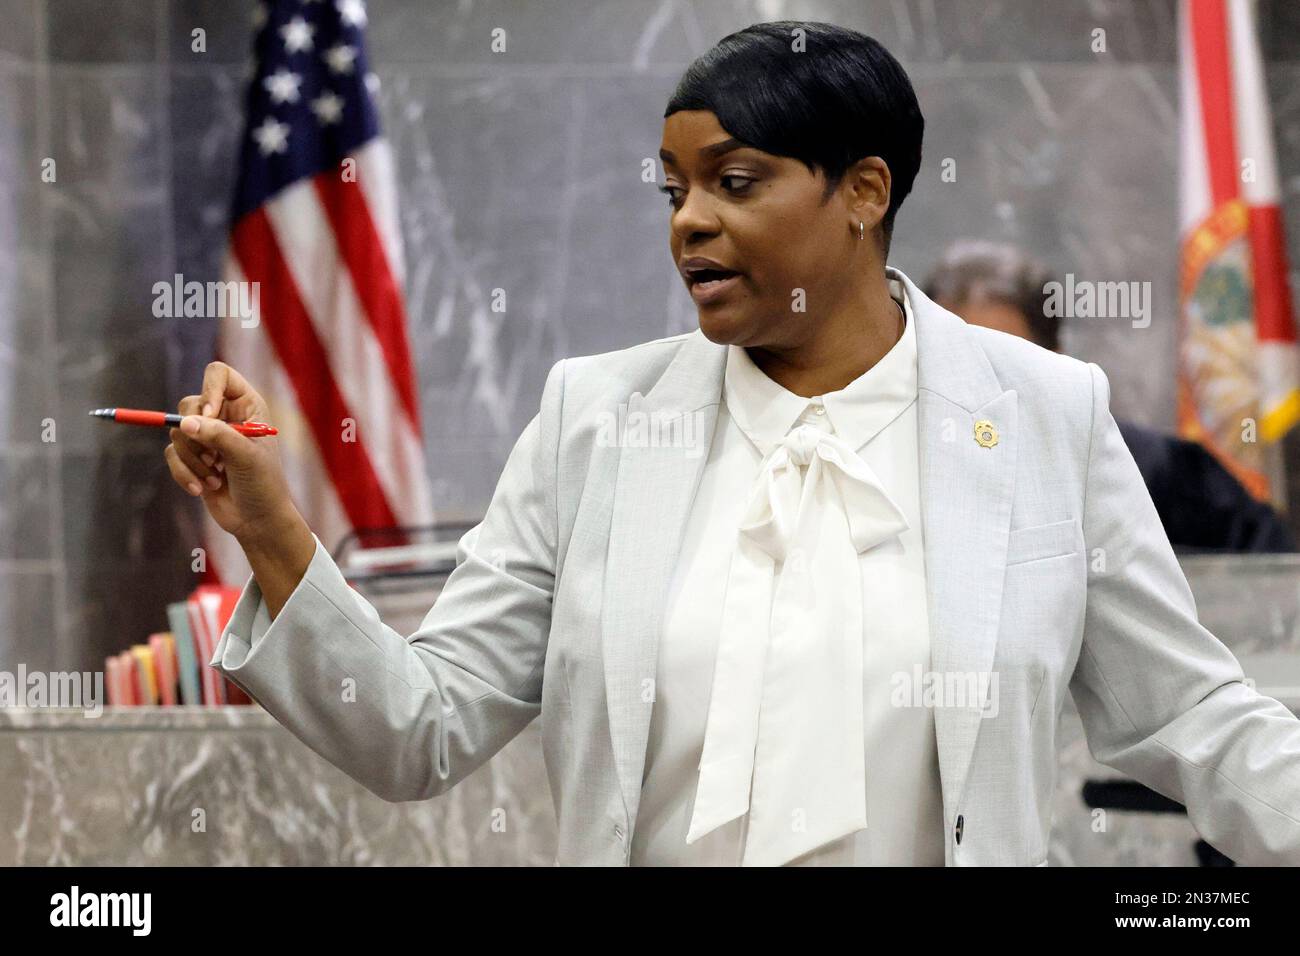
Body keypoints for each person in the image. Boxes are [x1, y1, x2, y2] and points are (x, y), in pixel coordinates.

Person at [165, 21, 1300, 866]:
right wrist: (269, 526)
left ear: (862, 191)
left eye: (735, 181)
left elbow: (1190, 714)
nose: (688, 220)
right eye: (675, 189)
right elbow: (421, 727)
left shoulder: (1045, 413)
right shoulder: (593, 421)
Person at [923, 240, 1297, 553]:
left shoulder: (1149, 471)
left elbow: (1263, 586)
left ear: (1055, 355)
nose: (978, 382)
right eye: (958, 358)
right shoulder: (901, 465)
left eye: (1003, 359)